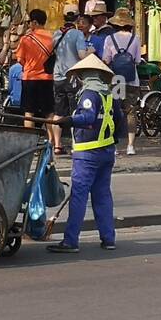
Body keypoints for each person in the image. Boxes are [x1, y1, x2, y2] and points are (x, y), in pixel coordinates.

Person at [47, 54, 126, 254]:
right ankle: (108, 239)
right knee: (102, 196)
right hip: (107, 151)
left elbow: (88, 117)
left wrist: (69, 121)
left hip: (87, 153)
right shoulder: (108, 93)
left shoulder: (89, 93)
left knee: (79, 196)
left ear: (83, 76)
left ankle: (71, 241)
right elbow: (119, 119)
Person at [48, 5, 89, 152]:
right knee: (74, 111)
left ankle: (57, 145)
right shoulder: (78, 35)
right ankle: (74, 144)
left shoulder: (56, 34)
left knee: (58, 111)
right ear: (78, 18)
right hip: (73, 77)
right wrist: (91, 52)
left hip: (58, 76)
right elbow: (82, 55)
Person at [103, 7, 142, 155]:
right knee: (131, 112)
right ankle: (130, 146)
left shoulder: (109, 39)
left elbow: (106, 60)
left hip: (116, 78)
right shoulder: (135, 39)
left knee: (115, 111)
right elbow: (137, 61)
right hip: (132, 79)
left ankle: (113, 145)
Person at [15, 8, 58, 142]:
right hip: (47, 78)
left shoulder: (26, 39)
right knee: (49, 112)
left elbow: (20, 60)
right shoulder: (53, 38)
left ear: (34, 22)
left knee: (29, 112)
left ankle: (29, 141)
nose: (28, 24)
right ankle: (51, 141)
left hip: (30, 78)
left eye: (29, 22)